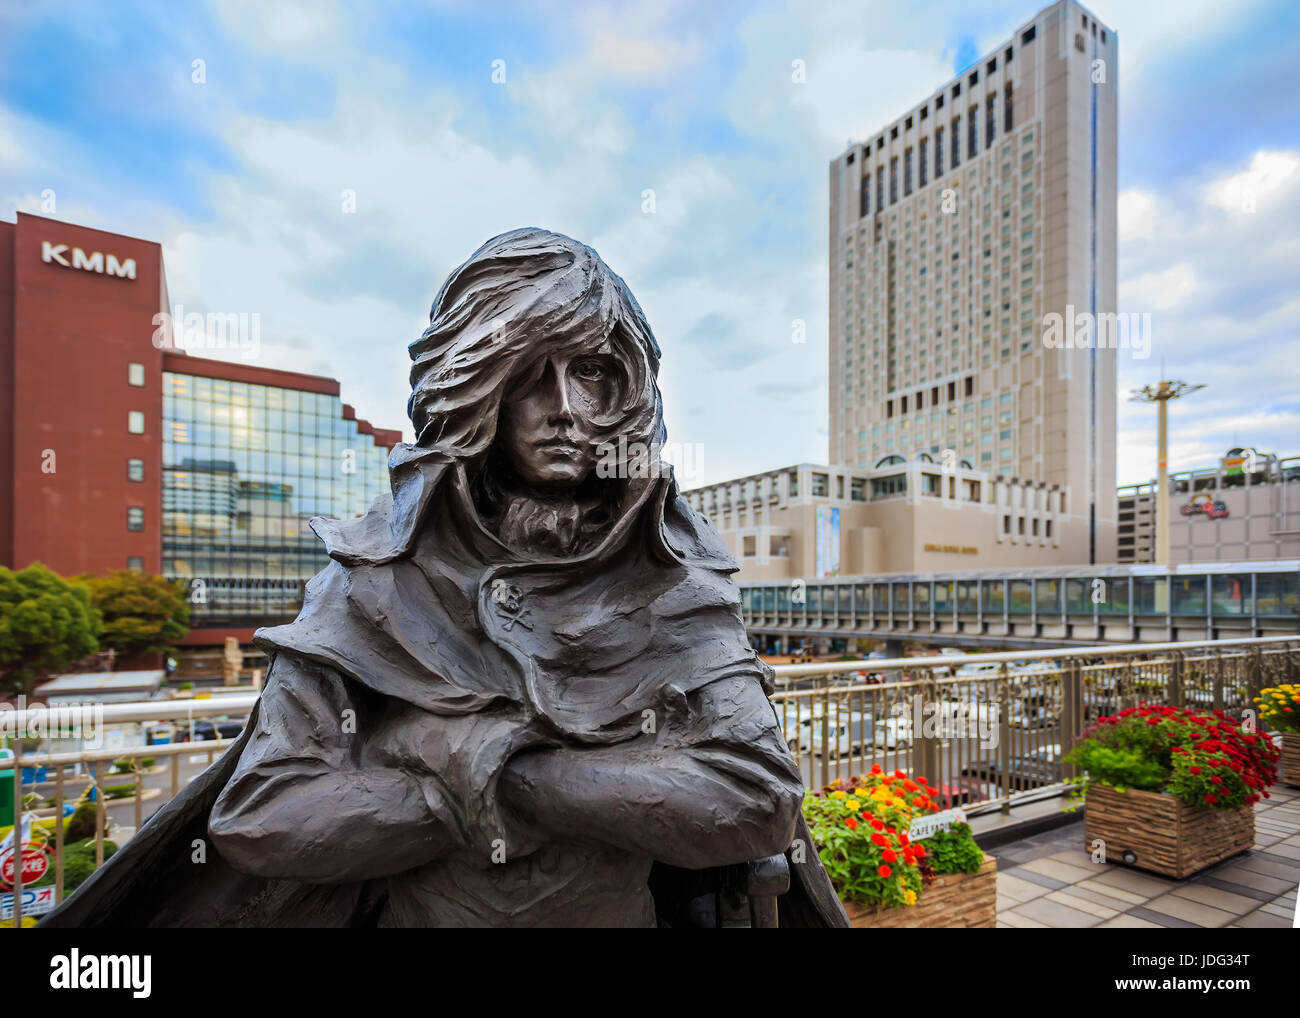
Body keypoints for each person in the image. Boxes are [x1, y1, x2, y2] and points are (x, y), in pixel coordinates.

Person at [41, 228, 845, 927]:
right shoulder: (374, 575)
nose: (564, 406)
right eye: (530, 372)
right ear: (475, 384)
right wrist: (496, 790)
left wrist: (483, 766)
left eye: (592, 372)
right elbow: (265, 813)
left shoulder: (669, 570)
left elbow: (756, 797)